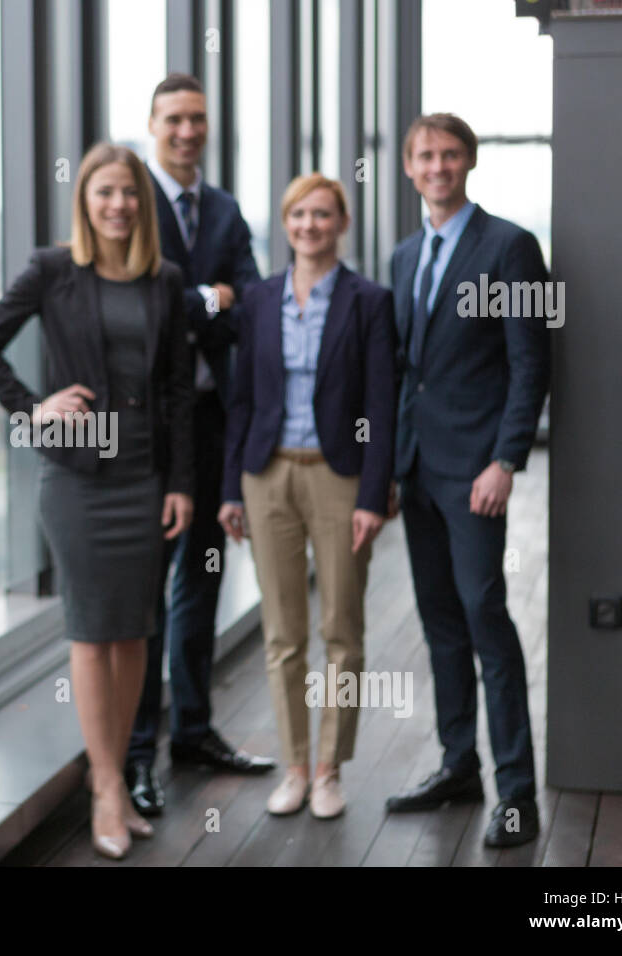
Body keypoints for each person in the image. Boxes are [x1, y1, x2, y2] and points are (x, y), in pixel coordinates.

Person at [0, 143, 195, 860]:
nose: (119, 204)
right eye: (105, 192)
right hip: (76, 480)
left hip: (143, 478)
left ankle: (121, 777)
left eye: (128, 192)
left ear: (141, 201)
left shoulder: (165, 281)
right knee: (91, 634)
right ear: (86, 200)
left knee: (132, 633)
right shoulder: (53, 270)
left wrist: (183, 482)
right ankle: (105, 785)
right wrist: (34, 410)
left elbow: (179, 394)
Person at [383, 113, 550, 848]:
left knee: (488, 621)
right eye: (426, 155)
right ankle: (458, 766)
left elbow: (531, 363)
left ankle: (517, 796)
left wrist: (505, 460)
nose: (438, 165)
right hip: (418, 470)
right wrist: (390, 466)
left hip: (477, 471)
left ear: (469, 161)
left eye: (450, 154)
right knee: (441, 625)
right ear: (410, 168)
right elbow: (405, 372)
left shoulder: (511, 246)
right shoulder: (403, 254)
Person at [219, 174, 396, 819]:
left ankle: (330, 770)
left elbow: (381, 405)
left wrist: (373, 495)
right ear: (287, 222)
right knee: (283, 633)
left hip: (339, 476)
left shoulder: (369, 301)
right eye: (299, 214)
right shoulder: (260, 301)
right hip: (266, 477)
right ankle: (294, 766)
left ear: (340, 223)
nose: (310, 225)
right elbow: (242, 401)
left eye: (323, 214)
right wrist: (230, 488)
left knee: (341, 629)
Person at [127, 72, 273, 818]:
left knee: (203, 579)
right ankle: (135, 755)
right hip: (148, 429)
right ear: (152, 124)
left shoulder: (222, 210)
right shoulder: (128, 196)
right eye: (175, 118)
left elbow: (252, 301)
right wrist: (201, 300)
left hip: (213, 422)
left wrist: (209, 303)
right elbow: (131, 301)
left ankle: (193, 729)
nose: (188, 131)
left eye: (199, 120)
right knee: (148, 594)